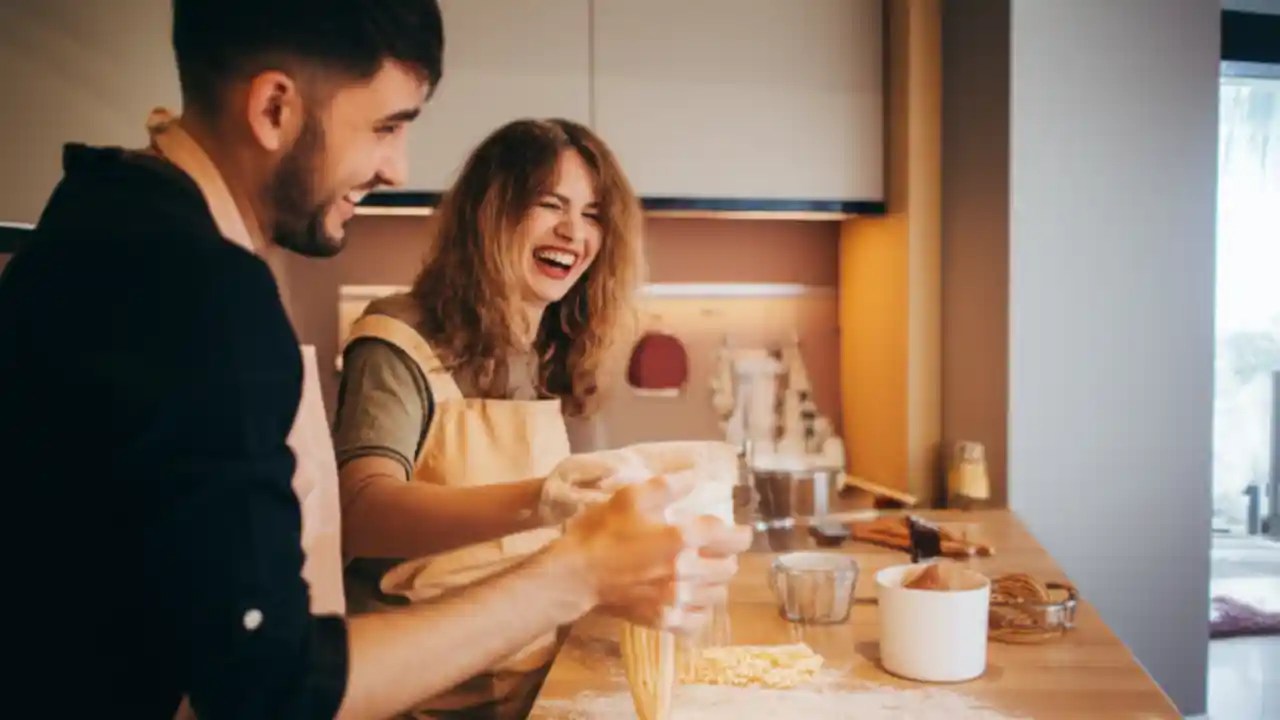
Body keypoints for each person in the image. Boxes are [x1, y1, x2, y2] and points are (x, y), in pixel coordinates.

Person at [0, 2, 751, 719]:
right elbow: (270, 687)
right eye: (387, 125)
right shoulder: (203, 293)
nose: (397, 166)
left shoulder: (102, 213)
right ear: (273, 109)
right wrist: (578, 573)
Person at [332, 118, 657, 718]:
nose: (573, 232)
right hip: (423, 695)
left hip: (528, 681)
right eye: (549, 205)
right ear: (491, 214)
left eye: (592, 215)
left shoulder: (549, 350)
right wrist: (542, 497)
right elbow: (360, 511)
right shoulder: (396, 338)